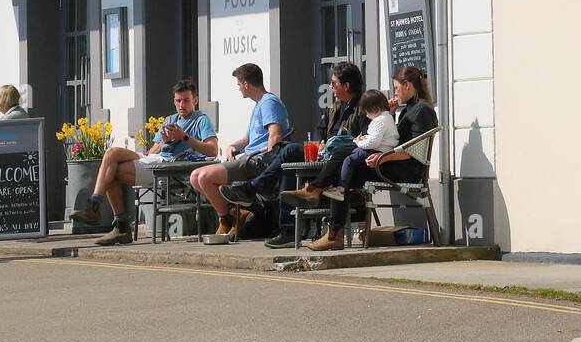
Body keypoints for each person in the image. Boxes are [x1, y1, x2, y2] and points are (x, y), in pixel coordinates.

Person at [223, 60, 365, 248]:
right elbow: (319, 130)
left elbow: (365, 138)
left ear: (346, 85)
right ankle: (287, 229)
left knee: (288, 150)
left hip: (341, 160)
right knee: (288, 161)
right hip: (322, 156)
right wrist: (320, 141)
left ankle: (256, 190)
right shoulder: (335, 107)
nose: (330, 87)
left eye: (334, 83)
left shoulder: (363, 106)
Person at [69, 79, 217, 246]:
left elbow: (212, 150)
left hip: (170, 167)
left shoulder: (201, 119)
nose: (181, 105)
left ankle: (119, 225)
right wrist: (163, 142)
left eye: (186, 100)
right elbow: (153, 151)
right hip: (155, 159)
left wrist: (183, 137)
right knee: (111, 155)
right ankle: (97, 208)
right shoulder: (170, 119)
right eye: (177, 100)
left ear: (195, 100)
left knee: (111, 172)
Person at [307, 66, 437, 252]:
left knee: (342, 166)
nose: (394, 93)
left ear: (407, 85)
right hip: (394, 163)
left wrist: (383, 158)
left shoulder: (422, 109)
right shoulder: (410, 108)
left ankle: (329, 224)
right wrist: (389, 114)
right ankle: (330, 224)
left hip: (406, 169)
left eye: (396, 88)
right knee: (343, 159)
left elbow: (414, 150)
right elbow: (394, 140)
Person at [189, 63, 287, 238]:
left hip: (256, 161)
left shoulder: (269, 102)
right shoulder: (258, 105)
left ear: (247, 84)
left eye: (239, 84)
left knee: (204, 177)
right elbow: (248, 139)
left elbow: (275, 135)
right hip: (247, 156)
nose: (239, 88)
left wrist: (268, 163)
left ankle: (227, 219)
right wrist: (232, 146)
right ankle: (233, 216)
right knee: (195, 177)